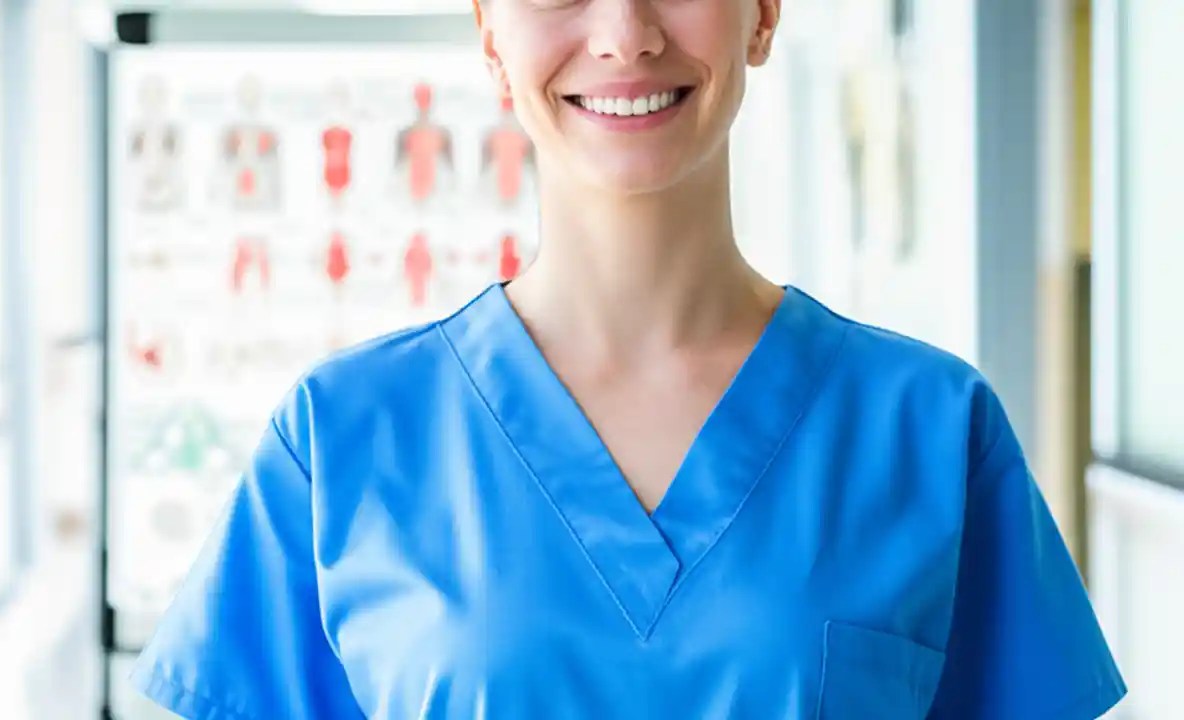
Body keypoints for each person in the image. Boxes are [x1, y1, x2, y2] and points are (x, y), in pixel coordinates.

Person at [129, 1, 1127, 717]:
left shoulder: (926, 429)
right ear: (487, 31)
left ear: (763, 14)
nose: (624, 33)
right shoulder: (341, 440)